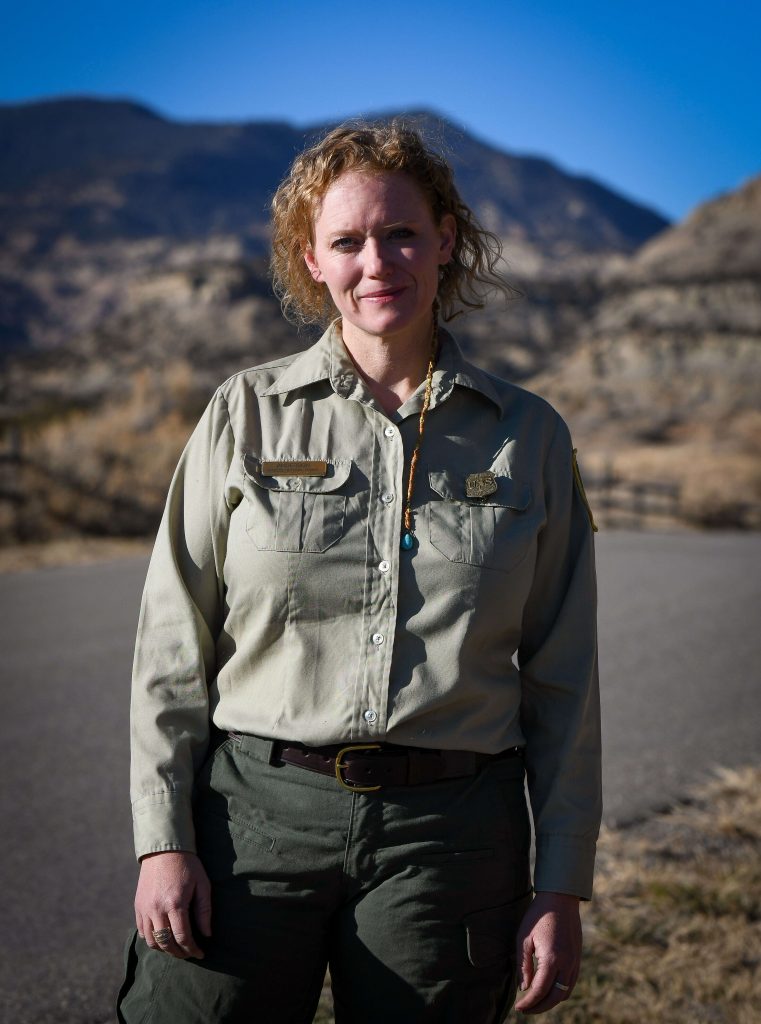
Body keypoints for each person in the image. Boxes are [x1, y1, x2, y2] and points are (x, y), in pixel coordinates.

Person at [117, 119, 601, 1024]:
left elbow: (562, 678)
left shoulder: (526, 435)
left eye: (401, 232)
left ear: (445, 240)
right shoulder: (243, 415)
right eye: (346, 241)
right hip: (251, 822)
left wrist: (562, 883)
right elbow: (171, 646)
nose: (376, 262)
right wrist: (162, 844)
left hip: (451, 838)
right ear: (313, 259)